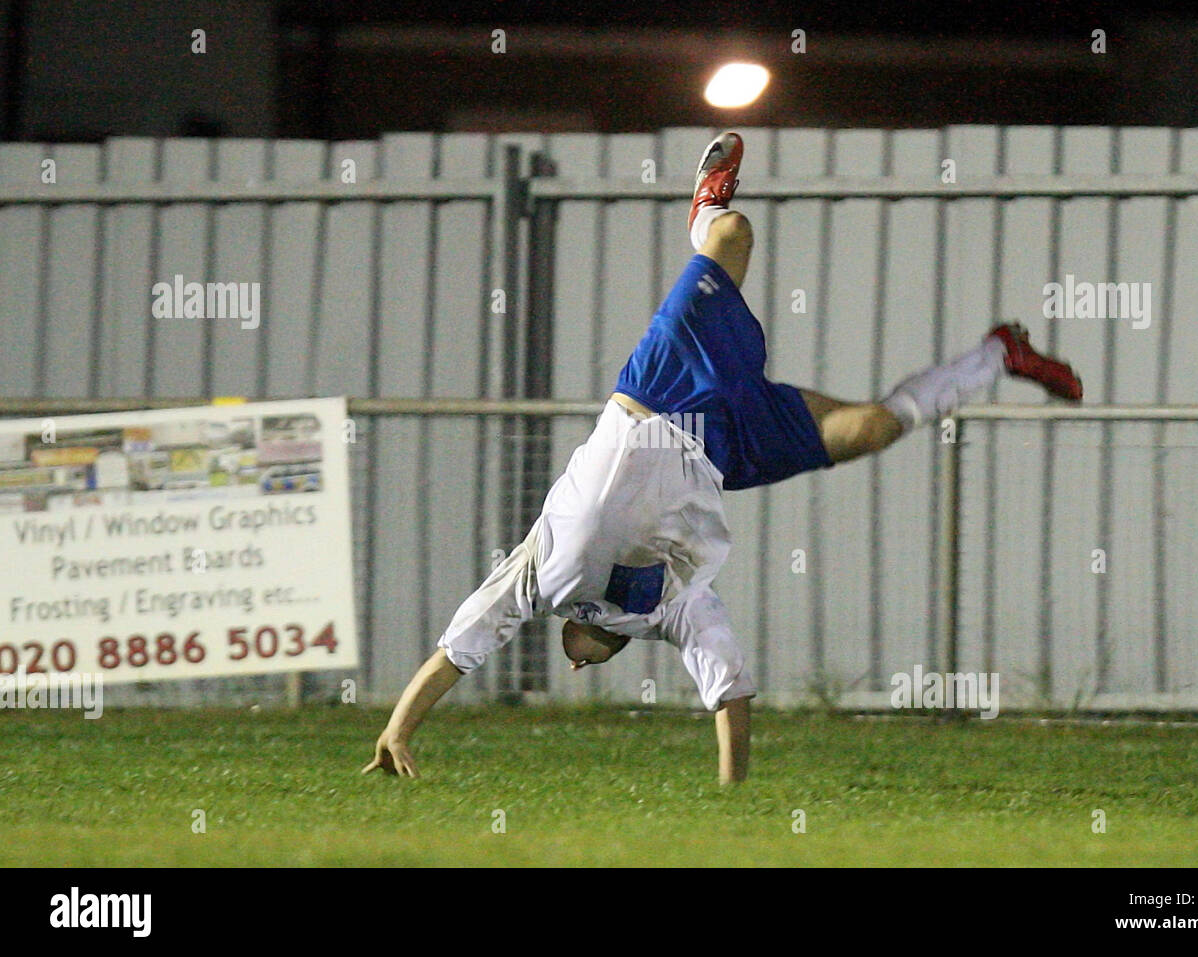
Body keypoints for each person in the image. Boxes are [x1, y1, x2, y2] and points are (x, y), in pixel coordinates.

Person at [364, 132, 1082, 785]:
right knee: (872, 428)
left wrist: (396, 728)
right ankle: (999, 352)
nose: (573, 660)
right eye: (580, 659)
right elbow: (731, 690)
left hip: (659, 385)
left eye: (570, 652)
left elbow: (457, 650)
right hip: (724, 446)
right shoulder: (669, 608)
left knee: (733, 231)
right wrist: (733, 801)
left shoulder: (542, 576)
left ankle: (704, 204)